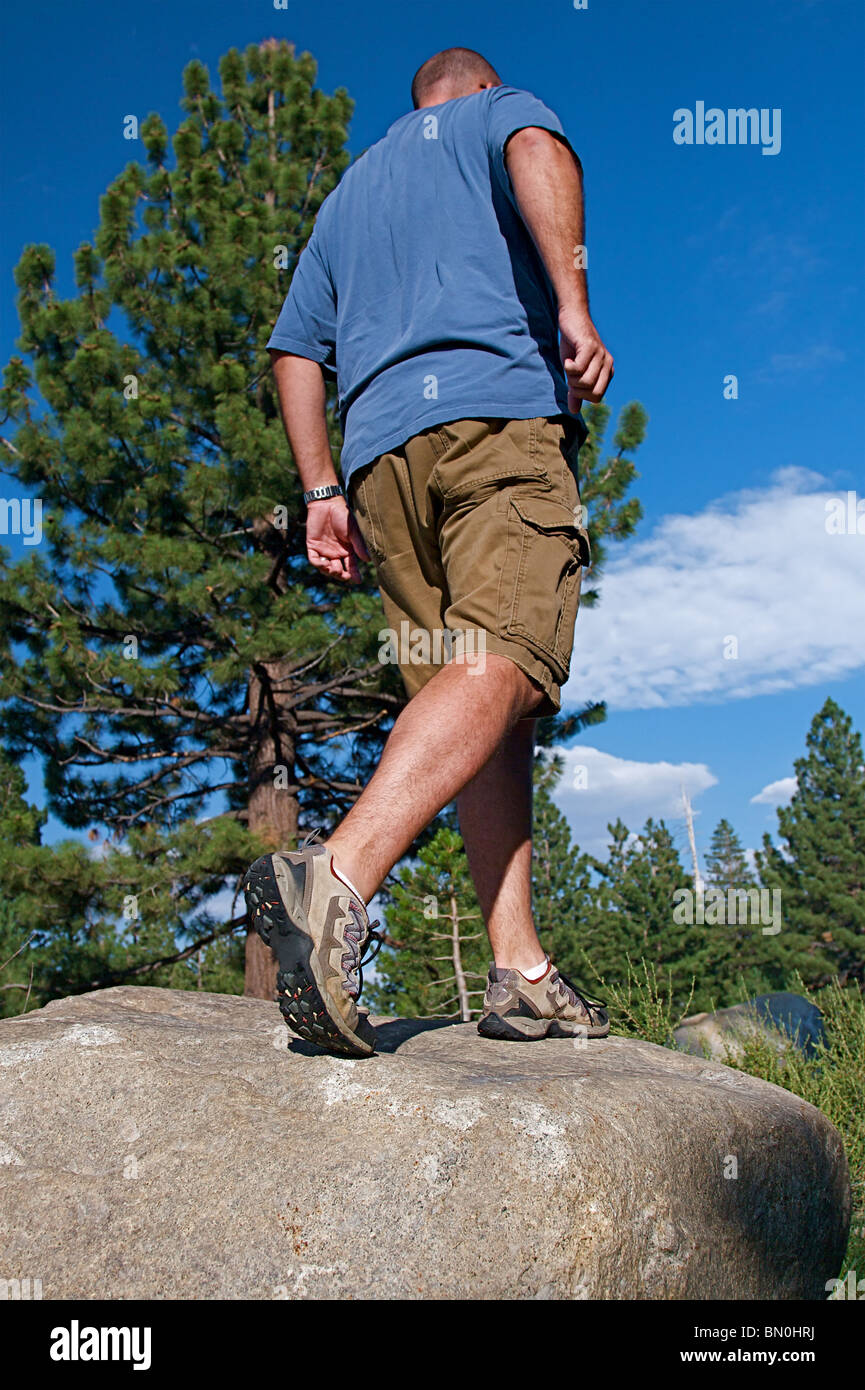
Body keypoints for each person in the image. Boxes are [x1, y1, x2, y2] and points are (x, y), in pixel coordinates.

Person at [243, 47, 614, 1057]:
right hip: (494, 412)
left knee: (477, 694)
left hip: (378, 465)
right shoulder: (503, 114)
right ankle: (341, 876)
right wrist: (572, 305)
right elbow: (540, 146)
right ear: (480, 88)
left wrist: (320, 490)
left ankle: (518, 968)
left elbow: (293, 349)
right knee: (508, 652)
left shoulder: (350, 194)